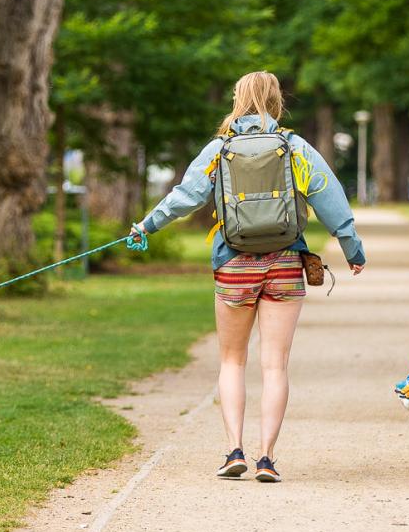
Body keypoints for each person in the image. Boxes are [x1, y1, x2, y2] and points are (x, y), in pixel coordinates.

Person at [130, 71, 365, 483]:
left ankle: (233, 449)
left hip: (234, 263)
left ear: (238, 99)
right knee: (275, 366)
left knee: (231, 361)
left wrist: (146, 227)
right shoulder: (294, 147)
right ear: (277, 102)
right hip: (285, 263)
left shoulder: (219, 149)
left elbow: (185, 196)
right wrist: (352, 249)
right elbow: (331, 198)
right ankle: (266, 457)